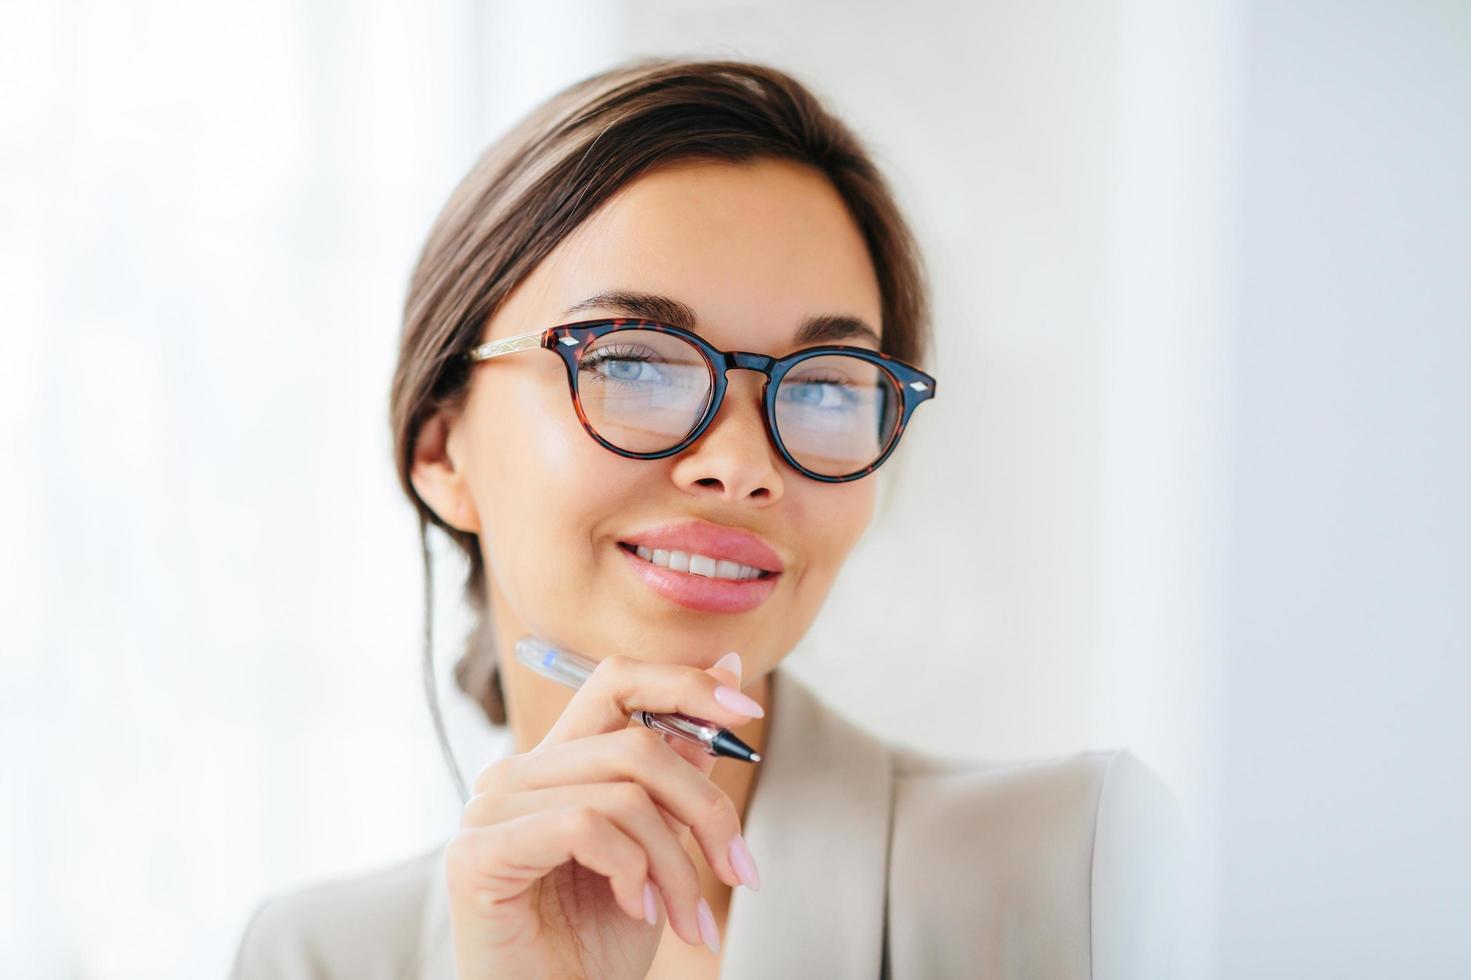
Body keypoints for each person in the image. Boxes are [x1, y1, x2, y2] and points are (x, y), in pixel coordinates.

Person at [230, 56, 1185, 979]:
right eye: (634, 362)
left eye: (823, 388)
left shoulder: (1085, 874)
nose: (739, 466)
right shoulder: (314, 960)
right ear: (441, 450)